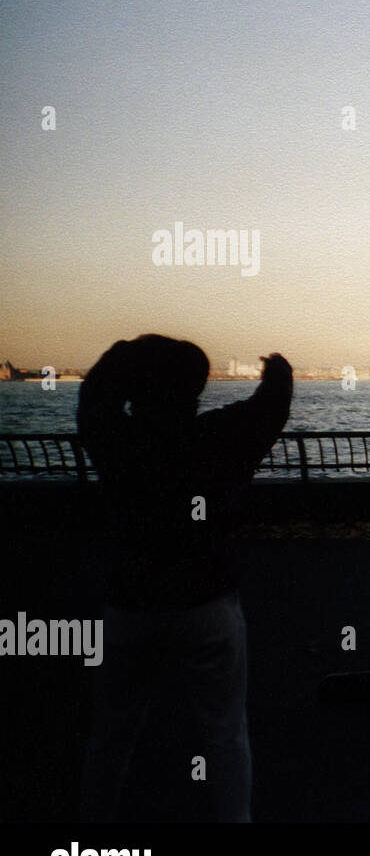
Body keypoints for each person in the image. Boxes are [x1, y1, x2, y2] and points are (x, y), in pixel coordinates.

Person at [77, 334, 292, 821]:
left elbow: (93, 395)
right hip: (208, 600)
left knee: (112, 733)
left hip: (131, 603)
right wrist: (276, 369)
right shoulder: (219, 439)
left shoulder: (115, 439)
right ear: (195, 390)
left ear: (136, 388)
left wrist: (125, 350)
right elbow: (271, 406)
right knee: (226, 733)